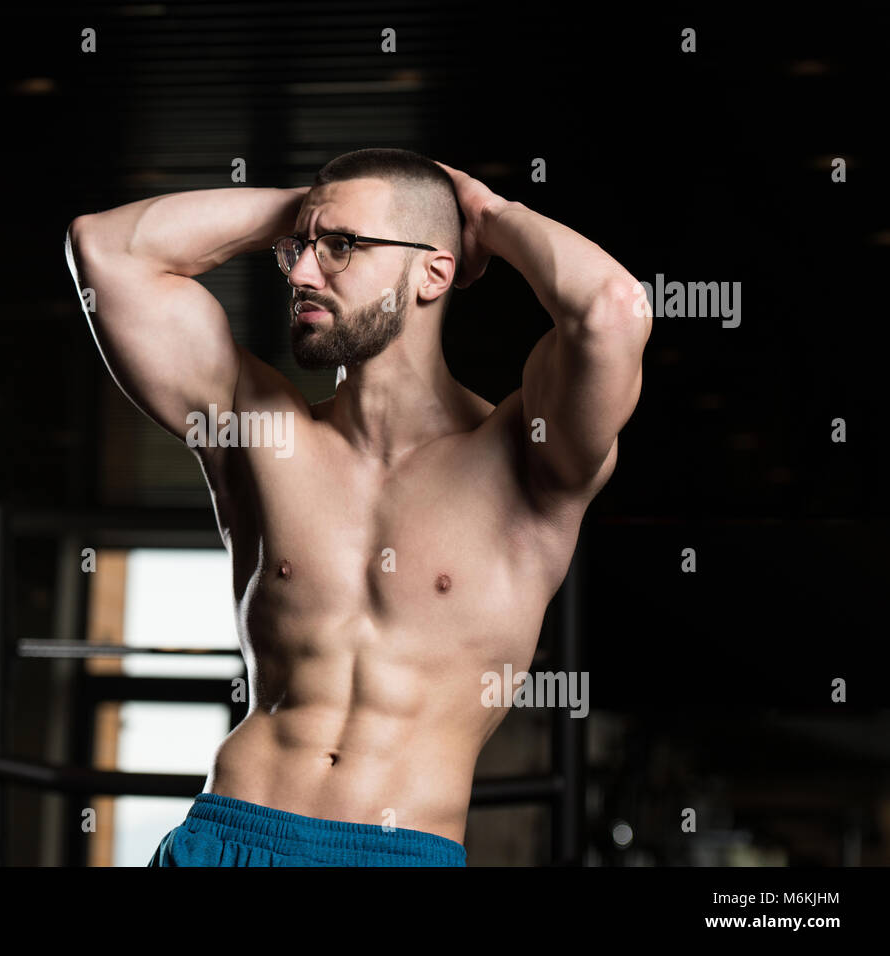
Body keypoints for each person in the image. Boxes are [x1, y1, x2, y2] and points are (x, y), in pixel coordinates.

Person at [64, 147, 651, 866]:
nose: (303, 273)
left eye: (342, 247)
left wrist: (487, 215)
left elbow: (612, 310)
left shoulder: (528, 457)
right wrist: (311, 207)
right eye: (298, 250)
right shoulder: (263, 432)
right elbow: (106, 251)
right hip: (228, 838)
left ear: (436, 269)